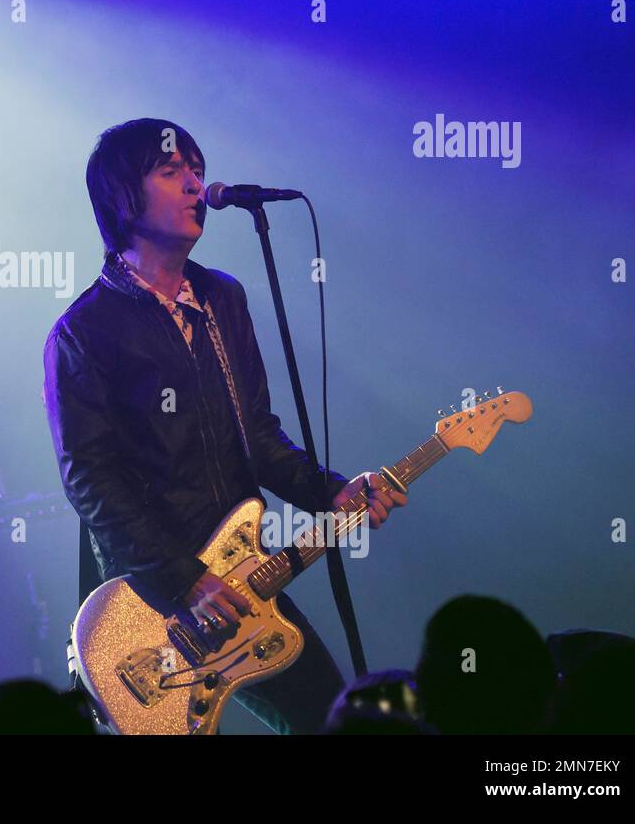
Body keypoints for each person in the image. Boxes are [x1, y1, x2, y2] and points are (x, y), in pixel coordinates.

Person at [42, 118, 403, 734]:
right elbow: (92, 482)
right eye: (171, 171)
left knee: (329, 719)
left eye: (196, 169)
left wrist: (332, 491)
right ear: (123, 198)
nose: (195, 184)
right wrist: (185, 581)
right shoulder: (83, 333)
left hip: (244, 578)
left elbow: (258, 436)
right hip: (157, 609)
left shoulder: (222, 300)